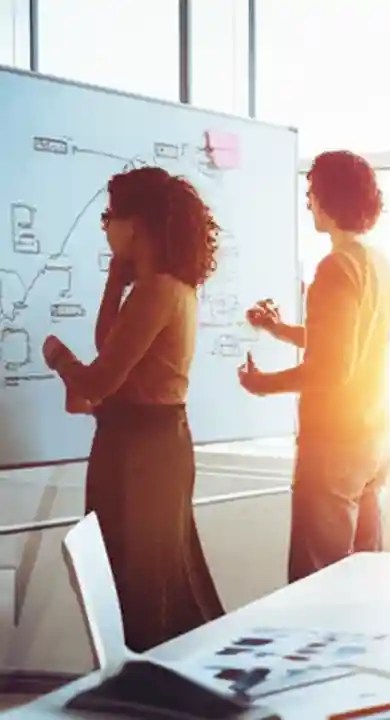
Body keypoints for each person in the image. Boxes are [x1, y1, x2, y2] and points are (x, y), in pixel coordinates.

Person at [43, 166, 225, 651]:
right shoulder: (164, 287)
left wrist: (60, 360)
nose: (104, 227)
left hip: (140, 451)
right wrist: (113, 278)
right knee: (142, 575)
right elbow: (110, 347)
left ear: (134, 224)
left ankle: (145, 691)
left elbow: (101, 379)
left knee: (139, 585)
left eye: (109, 216)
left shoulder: (158, 289)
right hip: (150, 442)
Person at [239, 150, 390, 583]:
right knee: (363, 579)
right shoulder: (378, 264)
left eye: (311, 193)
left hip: (334, 450)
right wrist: (281, 330)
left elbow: (330, 368)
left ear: (328, 199)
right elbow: (352, 340)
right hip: (373, 444)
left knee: (315, 583)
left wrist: (261, 384)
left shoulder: (335, 267)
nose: (308, 203)